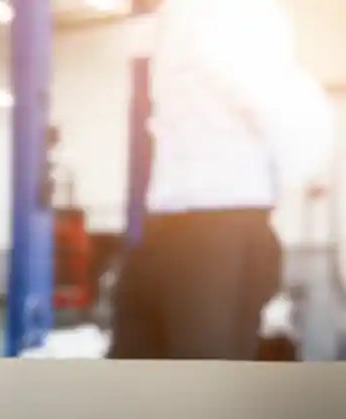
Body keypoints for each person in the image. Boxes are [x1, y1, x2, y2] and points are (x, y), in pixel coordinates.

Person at [109, 0, 333, 360]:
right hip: (162, 223)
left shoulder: (225, 11)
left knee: (203, 374)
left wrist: (301, 171)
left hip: (219, 223)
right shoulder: (164, 21)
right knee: (133, 360)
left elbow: (277, 101)